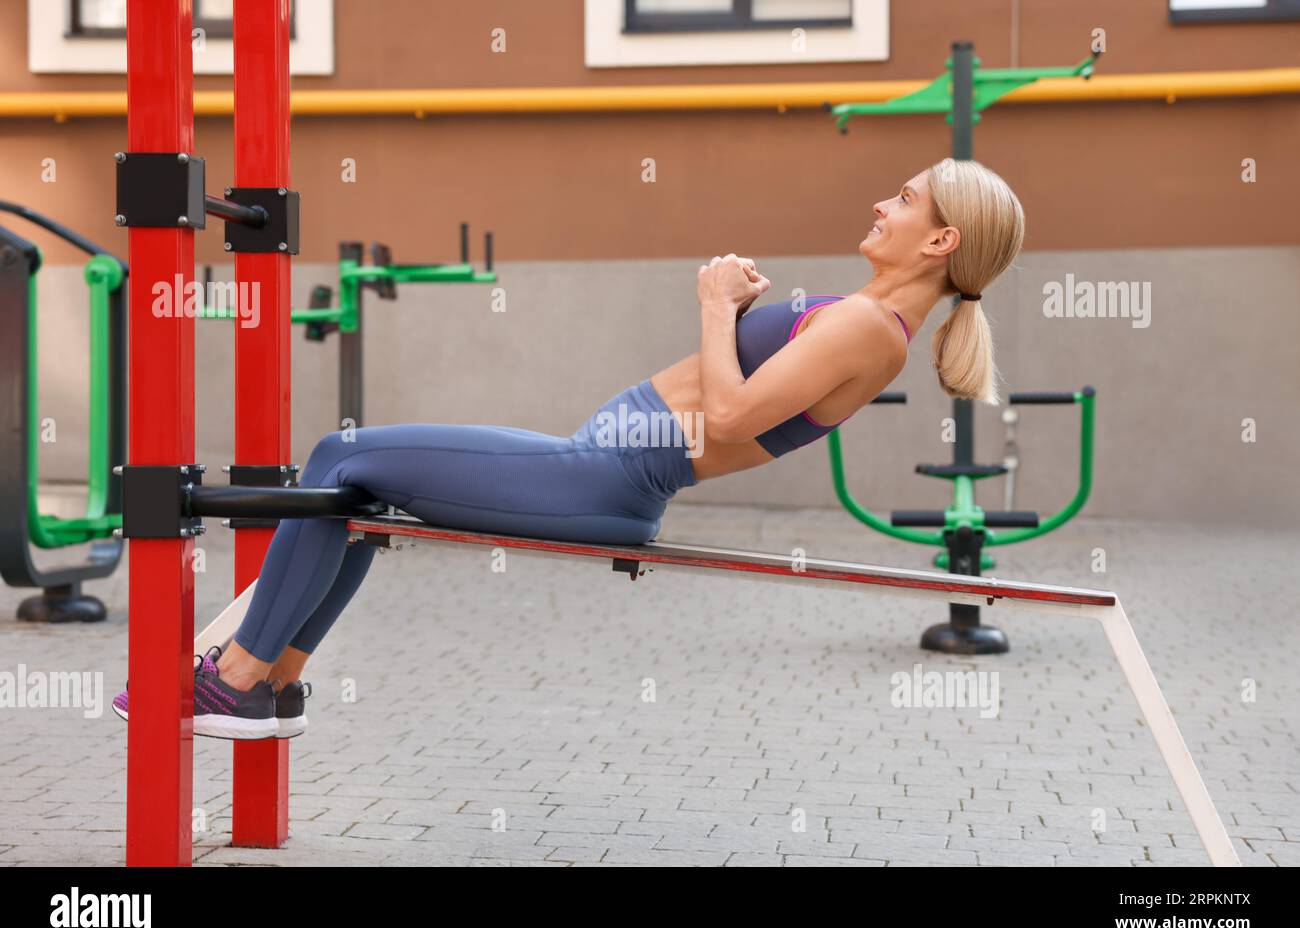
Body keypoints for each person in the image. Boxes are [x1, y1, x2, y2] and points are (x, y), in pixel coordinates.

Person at [114, 158, 1025, 739]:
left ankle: (236, 676)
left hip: (605, 475)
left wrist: (713, 302)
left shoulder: (872, 325)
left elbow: (736, 414)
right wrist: (740, 317)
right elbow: (739, 400)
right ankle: (272, 682)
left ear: (940, 239)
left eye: (904, 199)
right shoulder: (867, 320)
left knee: (337, 456)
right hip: (597, 463)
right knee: (354, 505)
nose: (881, 201)